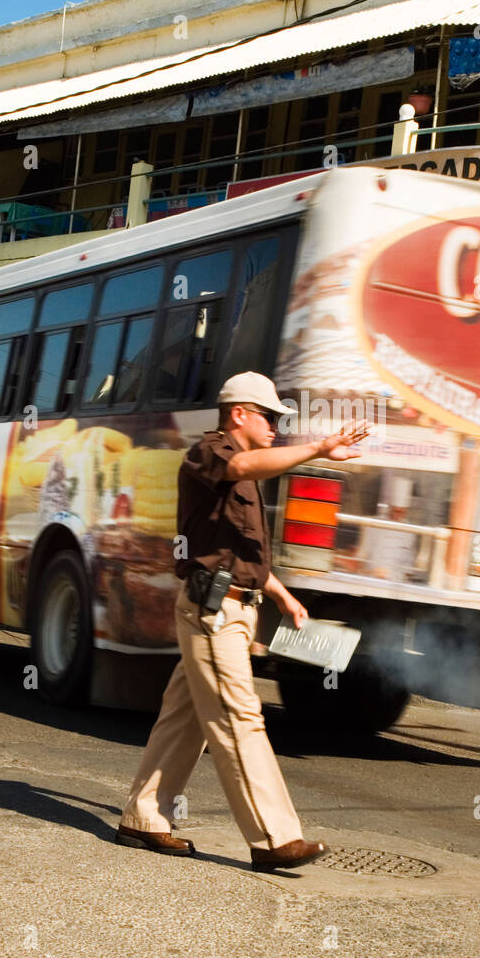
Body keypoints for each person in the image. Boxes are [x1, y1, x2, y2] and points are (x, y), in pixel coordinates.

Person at [118, 372, 371, 870]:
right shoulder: (210, 454)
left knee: (183, 717)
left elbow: (239, 551)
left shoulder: (245, 474)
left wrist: (281, 593)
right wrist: (319, 447)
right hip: (212, 610)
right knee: (239, 717)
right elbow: (249, 463)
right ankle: (274, 837)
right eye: (270, 416)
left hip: (235, 604)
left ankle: (143, 815)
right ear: (240, 414)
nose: (277, 425)